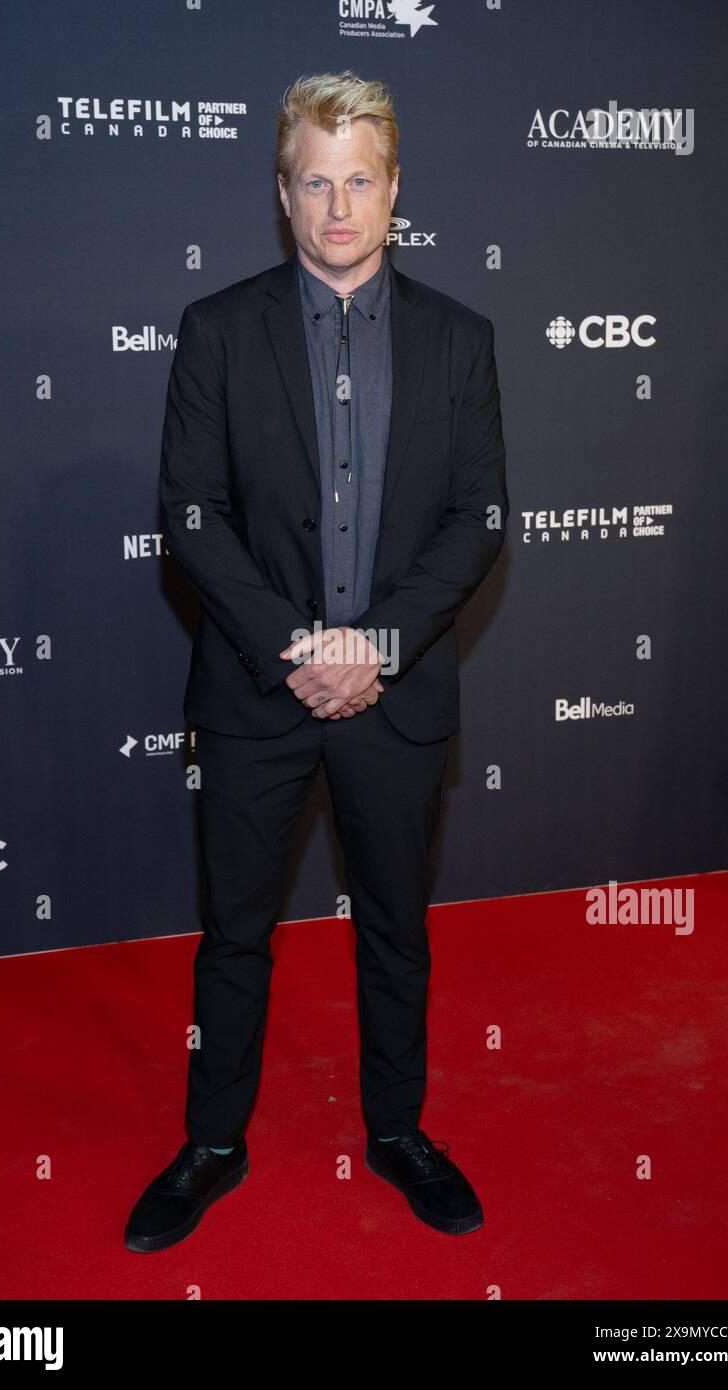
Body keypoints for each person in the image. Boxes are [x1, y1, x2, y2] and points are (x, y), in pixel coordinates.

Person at [125, 69, 508, 1253]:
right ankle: (211, 1142)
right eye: (313, 182)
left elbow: (478, 517)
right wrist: (300, 648)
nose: (337, 206)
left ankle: (396, 1128)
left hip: (393, 698)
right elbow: (191, 513)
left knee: (394, 924)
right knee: (235, 931)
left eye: (358, 180)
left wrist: (375, 647)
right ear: (282, 195)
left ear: (393, 189)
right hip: (257, 690)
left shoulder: (459, 338)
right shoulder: (217, 330)